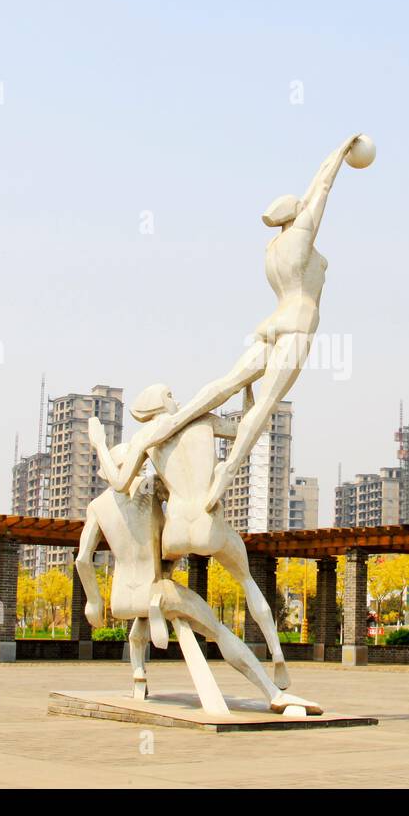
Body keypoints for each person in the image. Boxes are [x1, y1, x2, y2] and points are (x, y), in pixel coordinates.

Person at [109, 134, 365, 513]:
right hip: (295, 327)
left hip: (270, 323)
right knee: (265, 406)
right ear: (298, 214)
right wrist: (339, 153)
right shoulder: (299, 237)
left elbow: (310, 195)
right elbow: (322, 186)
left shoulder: (272, 249)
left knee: (227, 384)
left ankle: (175, 422)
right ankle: (227, 474)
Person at [73, 438, 319, 714]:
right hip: (156, 590)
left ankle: (139, 674)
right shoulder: (149, 490)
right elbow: (187, 506)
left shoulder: (97, 506)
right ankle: (273, 692)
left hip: (121, 599)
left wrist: (93, 601)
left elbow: (83, 559)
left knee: (137, 629)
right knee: (218, 629)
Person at [89, 383, 292, 688]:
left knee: (159, 576)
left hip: (176, 530)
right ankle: (276, 653)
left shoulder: (145, 438)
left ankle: (147, 635)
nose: (177, 399)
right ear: (158, 402)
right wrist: (249, 392)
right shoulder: (201, 419)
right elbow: (248, 428)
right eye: (170, 395)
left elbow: (118, 482)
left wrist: (100, 445)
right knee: (246, 578)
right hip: (207, 521)